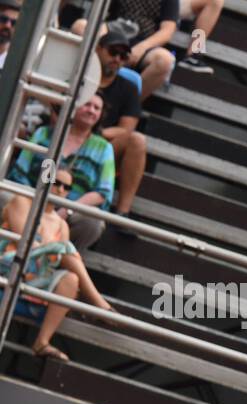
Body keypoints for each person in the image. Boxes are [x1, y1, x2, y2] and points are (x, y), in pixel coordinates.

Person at [0, 173, 115, 361]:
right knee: (66, 249)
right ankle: (98, 303)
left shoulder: (62, 225)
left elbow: (54, 259)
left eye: (66, 187)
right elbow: (26, 241)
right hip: (10, 263)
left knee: (71, 279)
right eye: (56, 183)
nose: (60, 189)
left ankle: (42, 342)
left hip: (38, 275)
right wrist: (55, 249)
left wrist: (54, 252)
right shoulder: (22, 201)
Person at [7, 94, 115, 249]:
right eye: (87, 105)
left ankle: (52, 257)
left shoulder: (104, 148)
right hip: (31, 199)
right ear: (74, 107)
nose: (91, 110)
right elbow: (19, 171)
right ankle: (29, 250)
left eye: (97, 108)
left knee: (93, 224)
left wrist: (67, 209)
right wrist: (38, 202)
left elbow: (103, 193)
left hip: (72, 210)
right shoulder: (45, 134)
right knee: (5, 196)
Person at [88, 26, 147, 225]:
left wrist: (98, 133)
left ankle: (122, 214)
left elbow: (126, 129)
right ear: (98, 49)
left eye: (123, 56)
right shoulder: (81, 76)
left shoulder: (128, 88)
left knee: (137, 141)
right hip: (67, 136)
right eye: (113, 52)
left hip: (103, 144)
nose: (117, 59)